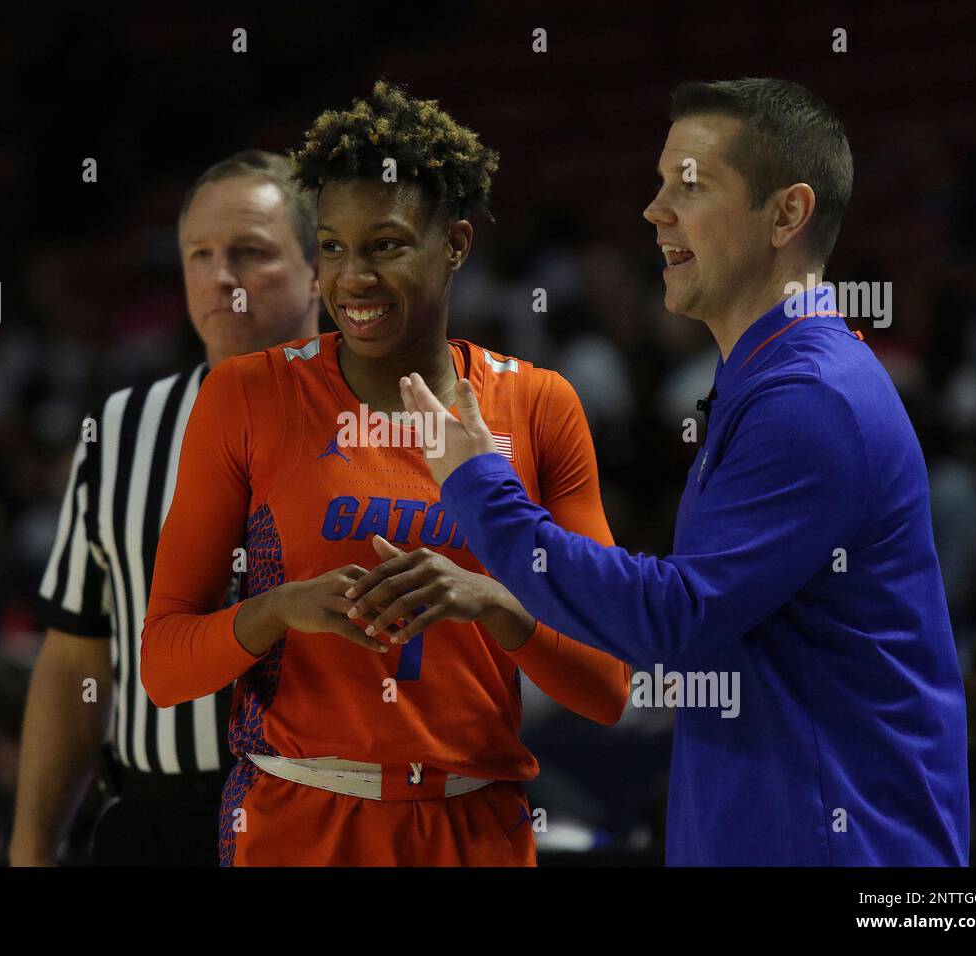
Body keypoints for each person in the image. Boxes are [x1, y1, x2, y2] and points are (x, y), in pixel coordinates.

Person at [380, 78, 970, 866]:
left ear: (786, 214)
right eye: (660, 185)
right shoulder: (775, 378)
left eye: (688, 186)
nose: (655, 211)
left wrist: (483, 491)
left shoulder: (812, 401)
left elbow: (675, 619)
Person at [141, 80, 633, 867]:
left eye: (387, 244)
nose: (352, 278)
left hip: (474, 826)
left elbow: (607, 687)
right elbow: (163, 665)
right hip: (296, 820)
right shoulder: (248, 394)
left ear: (457, 245)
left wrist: (494, 604)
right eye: (332, 246)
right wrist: (277, 610)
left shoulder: (540, 405)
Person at [11, 150, 321, 866]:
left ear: (318, 271)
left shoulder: (377, 422)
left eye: (250, 252)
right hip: (157, 819)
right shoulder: (120, 428)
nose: (221, 278)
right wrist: (30, 851)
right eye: (200, 254)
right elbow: (73, 656)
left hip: (325, 815)